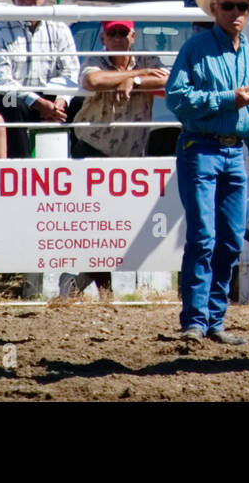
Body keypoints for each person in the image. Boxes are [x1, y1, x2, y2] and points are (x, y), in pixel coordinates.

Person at [166, 0, 249, 343]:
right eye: (229, 6)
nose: (237, 12)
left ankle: (212, 321)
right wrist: (228, 99)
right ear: (215, 8)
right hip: (202, 148)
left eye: (243, 6)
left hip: (231, 153)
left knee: (229, 239)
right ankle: (196, 320)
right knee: (204, 236)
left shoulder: (248, 53)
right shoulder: (194, 49)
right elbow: (177, 99)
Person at [61, 19, 169, 299]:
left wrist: (134, 78)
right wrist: (134, 75)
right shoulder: (97, 58)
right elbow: (93, 80)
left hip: (129, 155)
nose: (119, 38)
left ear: (133, 37)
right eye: (113, 33)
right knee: (98, 224)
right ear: (104, 38)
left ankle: (78, 283)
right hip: (92, 148)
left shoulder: (146, 57)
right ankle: (104, 291)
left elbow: (169, 80)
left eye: (123, 33)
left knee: (119, 224)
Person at [0, 0, 79, 158]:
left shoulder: (59, 28)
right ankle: (21, 165)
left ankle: (82, 161)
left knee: (80, 103)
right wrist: (38, 103)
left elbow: (71, 71)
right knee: (9, 103)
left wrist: (61, 100)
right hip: (17, 96)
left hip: (50, 96)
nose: (29, 0)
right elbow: (3, 81)